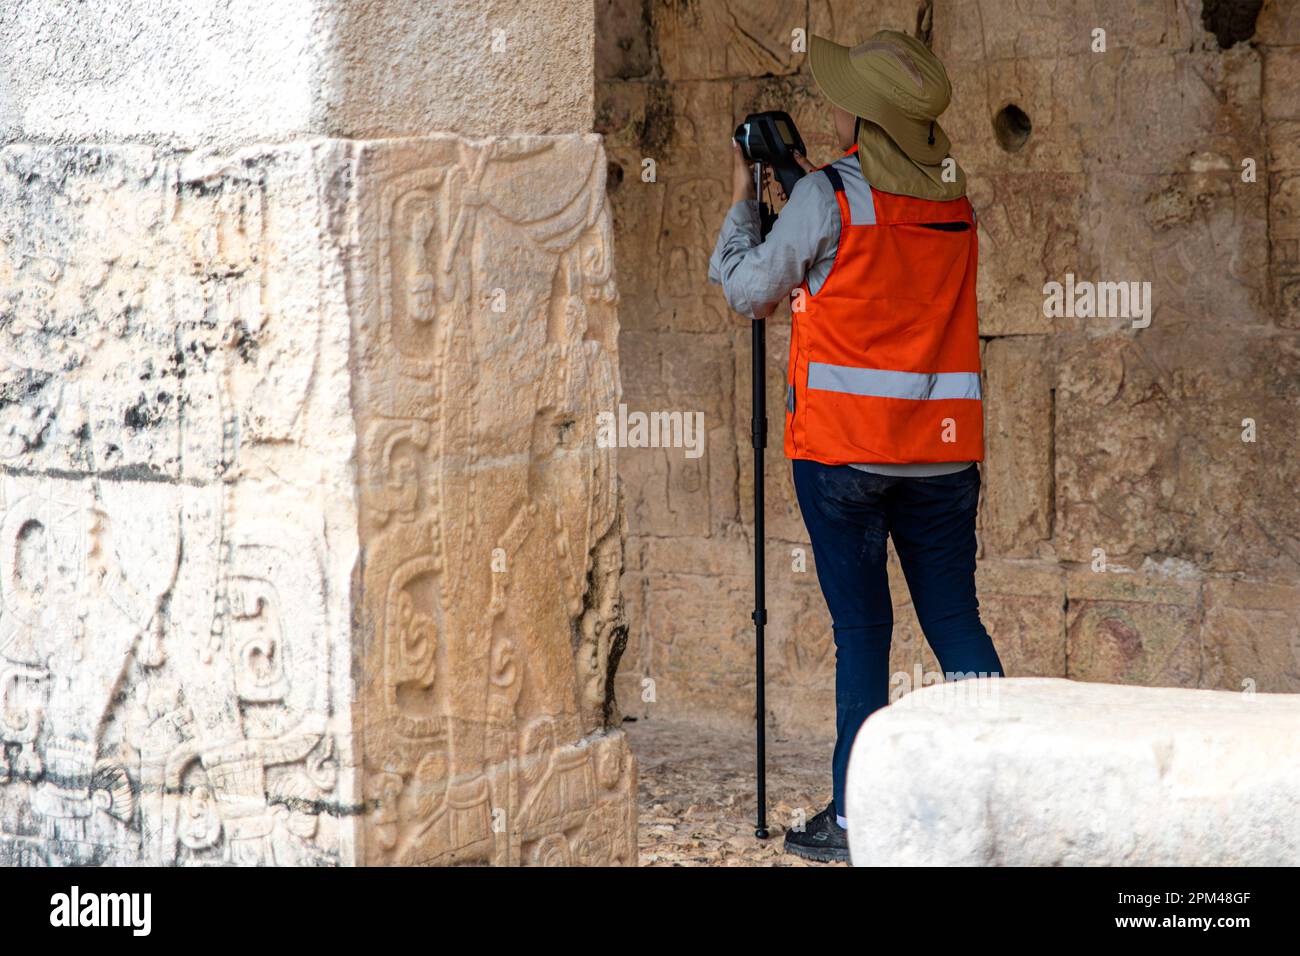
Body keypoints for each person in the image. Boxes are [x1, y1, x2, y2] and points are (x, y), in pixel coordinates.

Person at [708, 30, 1005, 863]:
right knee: (956, 621)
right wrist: (807, 189)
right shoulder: (956, 196)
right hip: (943, 454)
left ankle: (854, 819)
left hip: (844, 457)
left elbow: (752, 290)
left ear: (864, 115)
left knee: (863, 632)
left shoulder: (827, 197)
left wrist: (743, 198)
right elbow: (884, 256)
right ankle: (1010, 785)